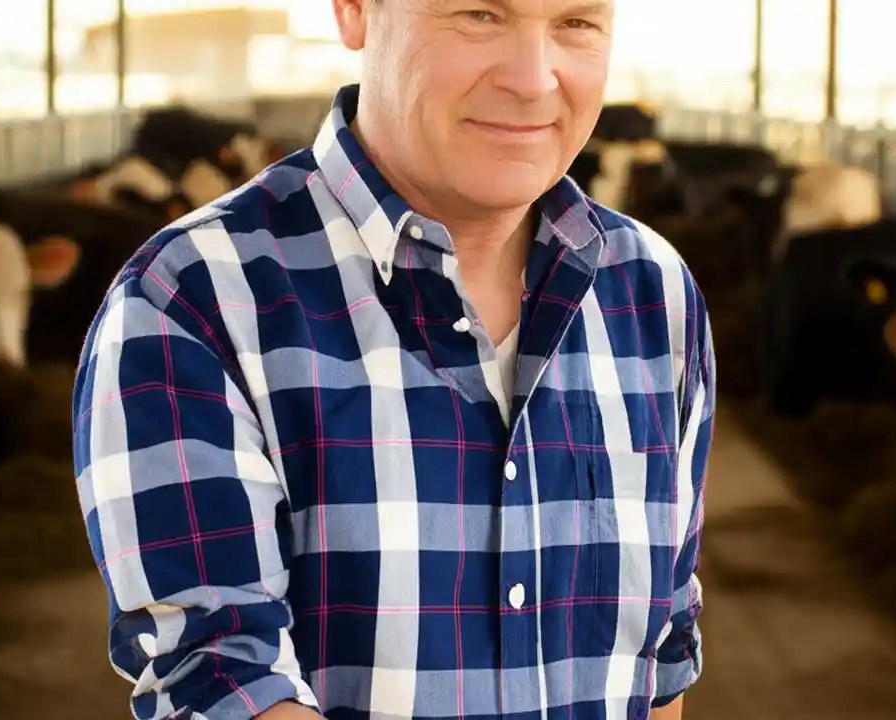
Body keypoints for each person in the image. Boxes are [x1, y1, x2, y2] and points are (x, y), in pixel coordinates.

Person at [70, 1, 716, 718]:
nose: (535, 80)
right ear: (353, 12)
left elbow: (660, 656)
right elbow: (222, 678)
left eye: (576, 24)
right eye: (479, 14)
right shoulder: (194, 300)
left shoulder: (656, 295)